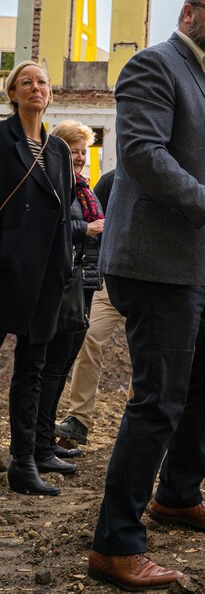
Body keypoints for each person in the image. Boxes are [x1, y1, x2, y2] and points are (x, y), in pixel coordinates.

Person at [88, 0, 205, 592]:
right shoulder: (154, 66)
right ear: (189, 12)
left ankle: (178, 493)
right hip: (157, 265)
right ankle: (115, 543)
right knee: (159, 400)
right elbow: (141, 153)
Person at [0, 61, 73, 496]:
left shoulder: (60, 150)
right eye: (25, 82)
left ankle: (23, 463)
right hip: (3, 270)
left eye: (42, 82)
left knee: (32, 370)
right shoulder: (0, 139)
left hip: (45, 274)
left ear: (50, 94)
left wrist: (63, 264)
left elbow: (62, 215)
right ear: (12, 93)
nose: (35, 88)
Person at [33, 120, 105, 477]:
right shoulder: (53, 184)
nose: (79, 157)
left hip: (84, 282)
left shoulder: (82, 187)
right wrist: (87, 229)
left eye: (83, 151)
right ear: (58, 150)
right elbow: (49, 228)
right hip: (63, 283)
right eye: (73, 150)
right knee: (51, 366)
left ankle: (44, 440)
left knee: (62, 366)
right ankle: (38, 444)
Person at [56, 169, 120, 450]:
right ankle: (78, 420)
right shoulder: (111, 181)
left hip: (150, 285)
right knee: (89, 339)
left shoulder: (171, 184)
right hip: (110, 280)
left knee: (148, 352)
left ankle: (139, 423)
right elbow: (95, 222)